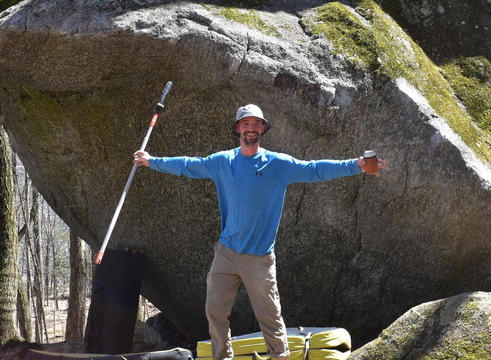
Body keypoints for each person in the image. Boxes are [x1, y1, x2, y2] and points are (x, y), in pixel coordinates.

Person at [133, 104, 386, 360]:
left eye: (256, 124)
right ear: (237, 128)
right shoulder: (223, 162)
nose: (251, 128)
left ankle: (280, 357)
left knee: (270, 316)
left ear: (262, 128)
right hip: (226, 253)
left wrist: (357, 165)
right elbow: (189, 165)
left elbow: (314, 169)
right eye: (246, 123)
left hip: (259, 259)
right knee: (215, 312)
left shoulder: (277, 164)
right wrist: (152, 161)